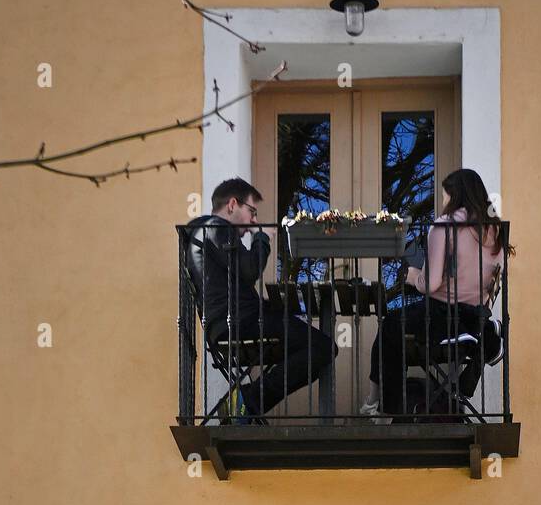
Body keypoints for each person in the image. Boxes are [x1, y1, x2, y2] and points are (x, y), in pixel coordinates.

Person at [359, 168, 505, 422]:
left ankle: (380, 405)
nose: (443, 202)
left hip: (440, 318)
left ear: (455, 195)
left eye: (445, 196)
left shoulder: (444, 226)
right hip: (473, 322)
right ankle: (393, 405)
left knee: (391, 327)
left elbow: (431, 283)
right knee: (400, 332)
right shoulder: (496, 232)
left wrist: (415, 275)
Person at [184, 178, 335, 422]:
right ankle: (248, 400)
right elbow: (249, 270)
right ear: (233, 204)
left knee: (312, 358)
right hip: (240, 322)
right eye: (252, 212)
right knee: (323, 347)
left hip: (228, 323)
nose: (253, 221)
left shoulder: (204, 233)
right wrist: (261, 238)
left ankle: (247, 402)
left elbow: (235, 281)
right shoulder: (216, 227)